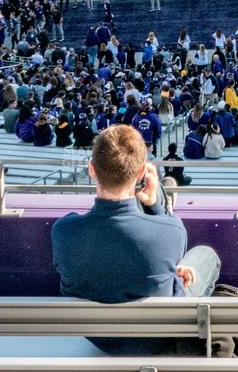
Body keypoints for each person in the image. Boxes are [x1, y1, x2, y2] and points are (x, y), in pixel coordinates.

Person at [51, 124, 220, 356]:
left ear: (92, 169)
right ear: (142, 173)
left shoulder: (63, 231)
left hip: (98, 338)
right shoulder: (172, 230)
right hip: (155, 339)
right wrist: (154, 205)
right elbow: (165, 258)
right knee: (206, 256)